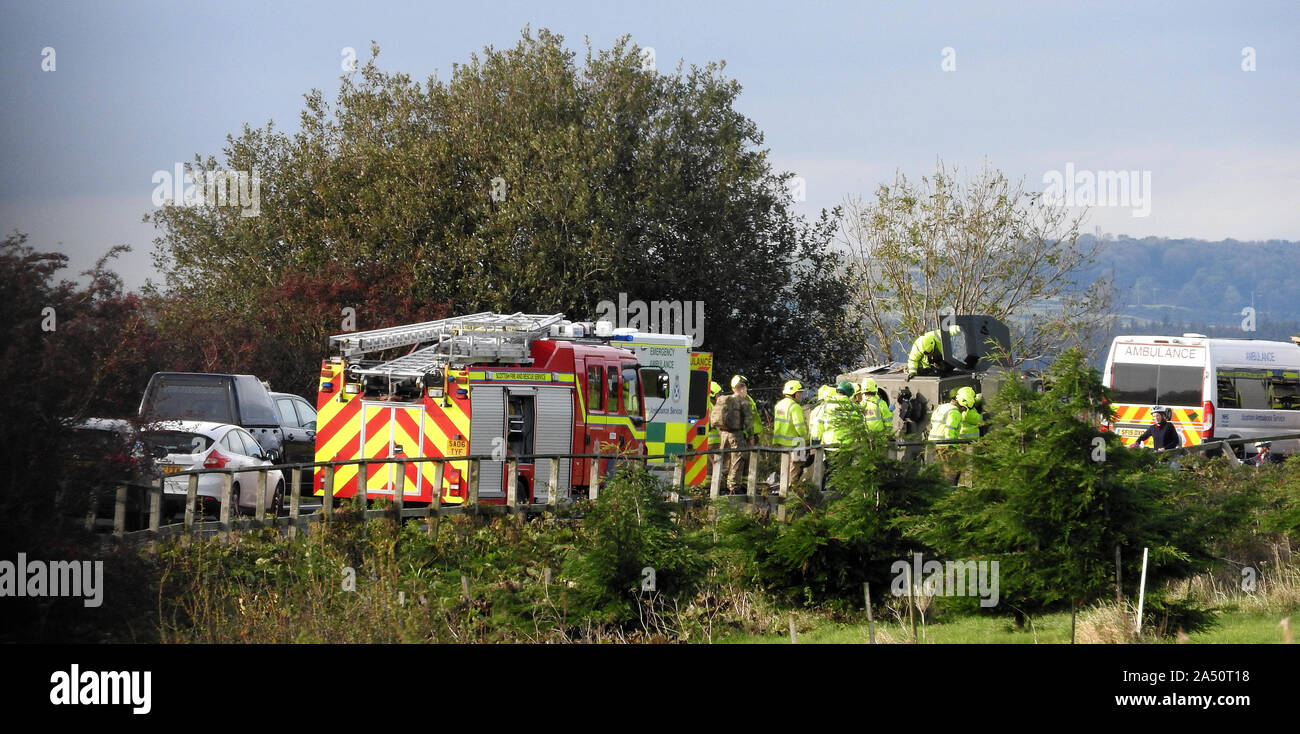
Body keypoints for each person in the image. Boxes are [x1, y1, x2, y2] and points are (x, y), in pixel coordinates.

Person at [723, 375, 756, 494]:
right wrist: (751, 438)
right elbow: (748, 422)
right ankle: (734, 488)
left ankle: (724, 486)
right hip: (738, 436)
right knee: (738, 459)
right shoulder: (744, 401)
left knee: (726, 461)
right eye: (742, 386)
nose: (744, 389)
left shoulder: (728, 400)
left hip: (725, 435)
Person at [772, 380, 810, 484]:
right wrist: (806, 439)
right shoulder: (795, 407)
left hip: (782, 442)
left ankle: (783, 489)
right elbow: (800, 426)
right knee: (795, 468)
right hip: (795, 442)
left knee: (785, 467)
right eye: (799, 392)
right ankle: (791, 492)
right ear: (793, 393)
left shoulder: (779, 405)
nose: (800, 395)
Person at [705, 381, 723, 475]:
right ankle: (710, 487)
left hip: (713, 441)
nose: (719, 396)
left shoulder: (710, 404)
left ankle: (708, 486)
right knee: (713, 466)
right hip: (712, 441)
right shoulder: (711, 406)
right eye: (718, 394)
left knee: (710, 465)